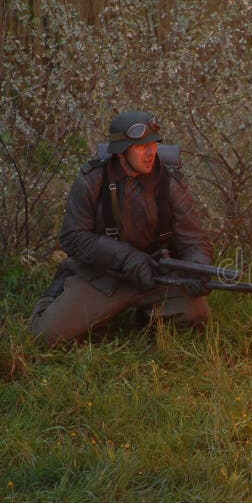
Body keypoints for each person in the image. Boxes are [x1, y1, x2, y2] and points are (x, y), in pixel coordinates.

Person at [29, 111, 213, 343]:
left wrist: (199, 267)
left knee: (196, 316)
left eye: (154, 144)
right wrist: (127, 259)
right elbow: (73, 237)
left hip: (156, 275)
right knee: (47, 336)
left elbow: (193, 239)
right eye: (140, 147)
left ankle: (146, 316)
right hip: (104, 275)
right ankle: (55, 295)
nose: (150, 152)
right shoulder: (92, 179)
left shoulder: (169, 181)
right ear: (121, 151)